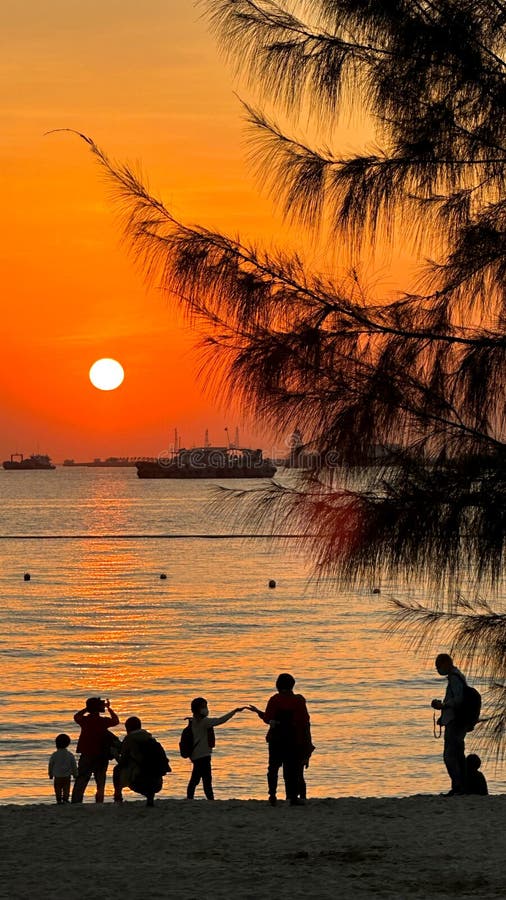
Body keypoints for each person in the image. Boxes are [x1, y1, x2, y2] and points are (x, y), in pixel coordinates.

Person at [250, 673, 314, 806]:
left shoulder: (274, 700)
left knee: (273, 767)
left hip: (276, 738)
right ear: (292, 685)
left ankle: (272, 795)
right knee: (291, 769)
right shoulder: (299, 700)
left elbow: (268, 719)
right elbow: (304, 721)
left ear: (278, 685)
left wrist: (259, 713)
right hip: (293, 738)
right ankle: (292, 797)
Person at [186, 697, 248, 800]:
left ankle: (191, 798)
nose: (206, 709)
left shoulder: (192, 721)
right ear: (198, 709)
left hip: (196, 755)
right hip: (203, 755)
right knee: (205, 780)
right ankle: (209, 799)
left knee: (196, 779)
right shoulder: (204, 722)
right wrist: (234, 711)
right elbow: (220, 720)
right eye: (204, 707)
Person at [113, 716, 170, 807]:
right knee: (145, 771)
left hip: (140, 780)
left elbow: (123, 761)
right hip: (157, 782)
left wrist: (115, 754)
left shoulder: (130, 739)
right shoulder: (149, 737)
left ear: (128, 728)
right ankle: (150, 798)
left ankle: (118, 797)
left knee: (117, 769)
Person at [71, 697, 120, 803]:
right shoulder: (103, 721)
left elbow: (76, 716)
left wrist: (87, 708)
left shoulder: (85, 720)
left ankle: (76, 801)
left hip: (87, 753)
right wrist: (109, 709)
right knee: (100, 780)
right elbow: (116, 721)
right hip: (101, 754)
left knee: (82, 779)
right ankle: (99, 801)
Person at [431, 653, 467, 795]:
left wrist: (443, 706)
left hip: (456, 723)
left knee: (449, 756)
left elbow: (458, 699)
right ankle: (460, 787)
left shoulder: (454, 678)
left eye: (438, 666)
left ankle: (458, 787)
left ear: (446, 664)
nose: (438, 669)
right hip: (455, 721)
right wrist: (443, 715)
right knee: (458, 755)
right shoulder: (457, 677)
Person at [48, 733, 77, 803]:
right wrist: (75, 774)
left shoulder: (54, 755)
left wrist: (50, 774)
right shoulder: (70, 755)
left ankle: (58, 800)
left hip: (57, 776)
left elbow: (51, 765)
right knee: (66, 789)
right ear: (68, 744)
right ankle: (65, 799)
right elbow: (73, 765)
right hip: (67, 776)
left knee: (57, 788)